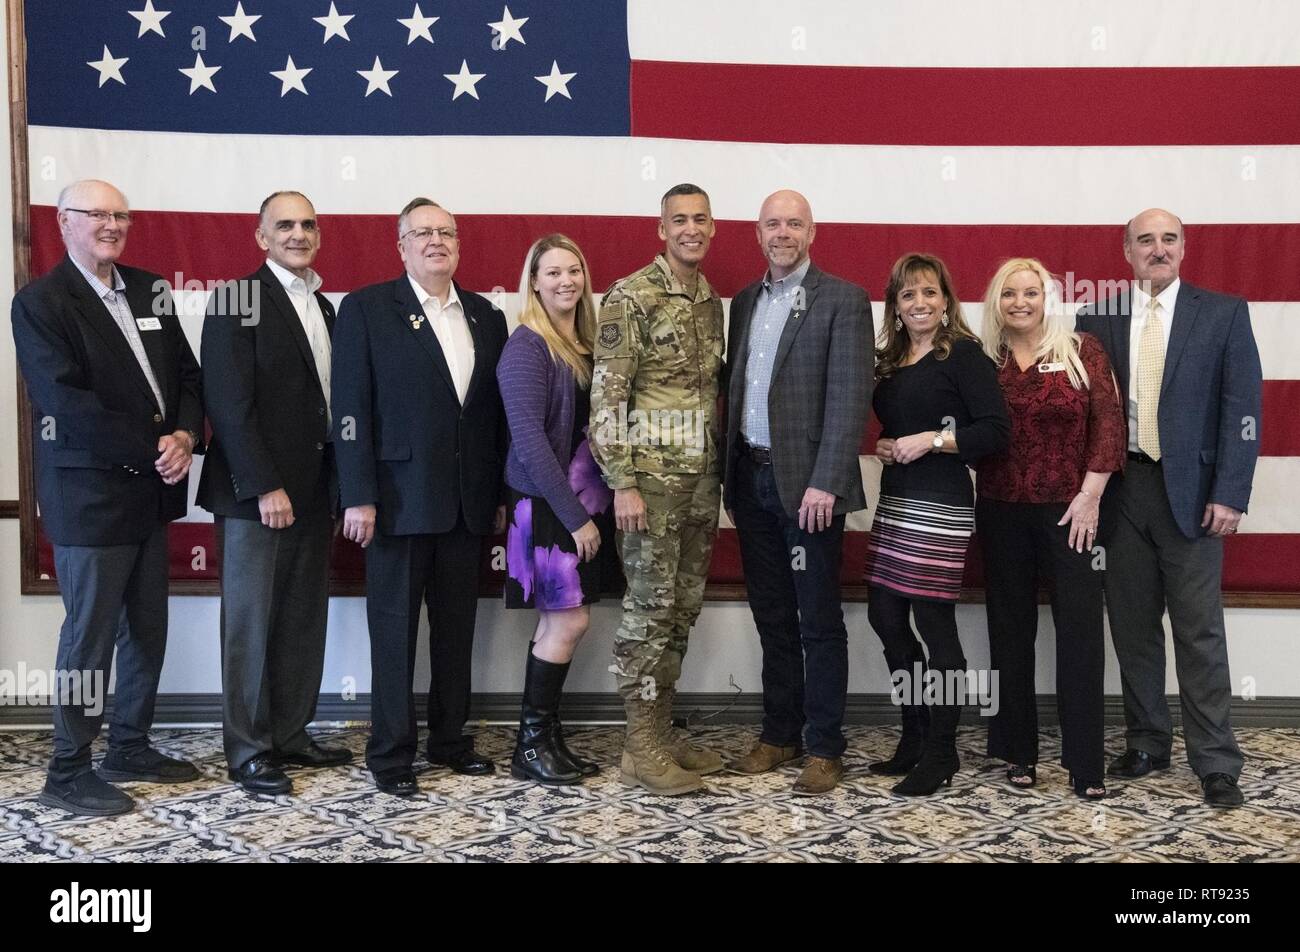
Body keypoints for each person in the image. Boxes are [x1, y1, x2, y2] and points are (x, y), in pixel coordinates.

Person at [12, 179, 202, 815]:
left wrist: (183, 433)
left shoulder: (150, 288)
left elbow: (186, 376)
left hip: (152, 492)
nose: (111, 224)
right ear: (64, 222)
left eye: (121, 214)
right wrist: (157, 444)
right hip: (90, 496)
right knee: (88, 638)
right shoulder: (41, 303)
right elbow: (66, 402)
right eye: (96, 214)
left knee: (147, 630)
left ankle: (130, 745)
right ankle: (68, 768)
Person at [1076, 208, 1262, 808]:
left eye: (1169, 239)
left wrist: (1230, 492)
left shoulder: (1223, 313)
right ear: (1126, 250)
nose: (1158, 249)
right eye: (1146, 240)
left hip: (1194, 495)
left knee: (1198, 631)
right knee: (1132, 627)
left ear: (1184, 248)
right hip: (1122, 489)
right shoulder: (1095, 317)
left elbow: (1243, 409)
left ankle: (1214, 762)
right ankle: (1148, 743)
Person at [332, 198, 508, 797]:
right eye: (422, 233)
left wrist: (502, 493)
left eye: (446, 232)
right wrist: (356, 494)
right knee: (395, 633)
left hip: (467, 504)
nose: (436, 241)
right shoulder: (366, 308)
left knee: (456, 632)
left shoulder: (487, 315)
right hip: (395, 502)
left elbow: (492, 418)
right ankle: (390, 754)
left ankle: (452, 741)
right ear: (400, 245)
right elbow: (350, 409)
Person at [197, 190, 352, 796]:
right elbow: (229, 405)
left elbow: (330, 407)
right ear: (261, 237)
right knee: (250, 625)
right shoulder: (237, 299)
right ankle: (249, 749)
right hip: (256, 495)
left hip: (314, 495)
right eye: (284, 225)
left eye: (308, 223)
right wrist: (265, 485)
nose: (298, 233)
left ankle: (290, 733)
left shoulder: (326, 306)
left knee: (300, 619)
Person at [721, 190, 871, 795]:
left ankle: (825, 746)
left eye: (794, 224)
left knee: (817, 619)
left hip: (808, 491)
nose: (782, 232)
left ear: (813, 233)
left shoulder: (843, 299)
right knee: (772, 616)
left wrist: (827, 482)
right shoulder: (746, 301)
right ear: (757, 233)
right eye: (772, 224)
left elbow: (849, 398)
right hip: (750, 480)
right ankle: (779, 733)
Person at [590, 183, 725, 796]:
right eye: (679, 220)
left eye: (700, 219)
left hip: (699, 486)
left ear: (712, 227)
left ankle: (659, 735)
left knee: (679, 613)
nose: (690, 228)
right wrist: (622, 483)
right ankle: (641, 745)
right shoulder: (630, 296)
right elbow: (607, 402)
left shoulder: (708, 300)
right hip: (649, 487)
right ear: (661, 229)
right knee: (646, 617)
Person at [975, 258, 1125, 799]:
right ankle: (1018, 751)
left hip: (1072, 512)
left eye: (1031, 292)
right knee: (1009, 633)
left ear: (1047, 298)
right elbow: (959, 425)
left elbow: (1109, 424)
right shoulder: (982, 358)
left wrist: (1090, 497)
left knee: (1081, 636)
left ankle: (1086, 763)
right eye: (1009, 292)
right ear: (997, 300)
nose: (1020, 301)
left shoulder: (1083, 350)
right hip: (999, 509)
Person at [864, 253, 1009, 796]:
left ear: (945, 300)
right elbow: (898, 427)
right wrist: (887, 445)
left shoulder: (964, 356)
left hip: (941, 504)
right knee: (885, 616)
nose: (919, 303)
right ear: (895, 307)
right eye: (908, 295)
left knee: (934, 625)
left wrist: (933, 440)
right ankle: (914, 734)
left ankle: (942, 752)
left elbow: (995, 431)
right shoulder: (893, 360)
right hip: (897, 498)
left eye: (928, 293)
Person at [498, 234, 620, 785]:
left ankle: (545, 738)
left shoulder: (585, 342)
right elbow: (529, 440)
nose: (565, 280)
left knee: (564, 620)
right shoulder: (528, 344)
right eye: (552, 272)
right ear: (534, 282)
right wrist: (574, 518)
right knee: (568, 619)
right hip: (545, 505)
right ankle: (530, 743)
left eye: (574, 270)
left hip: (578, 503)